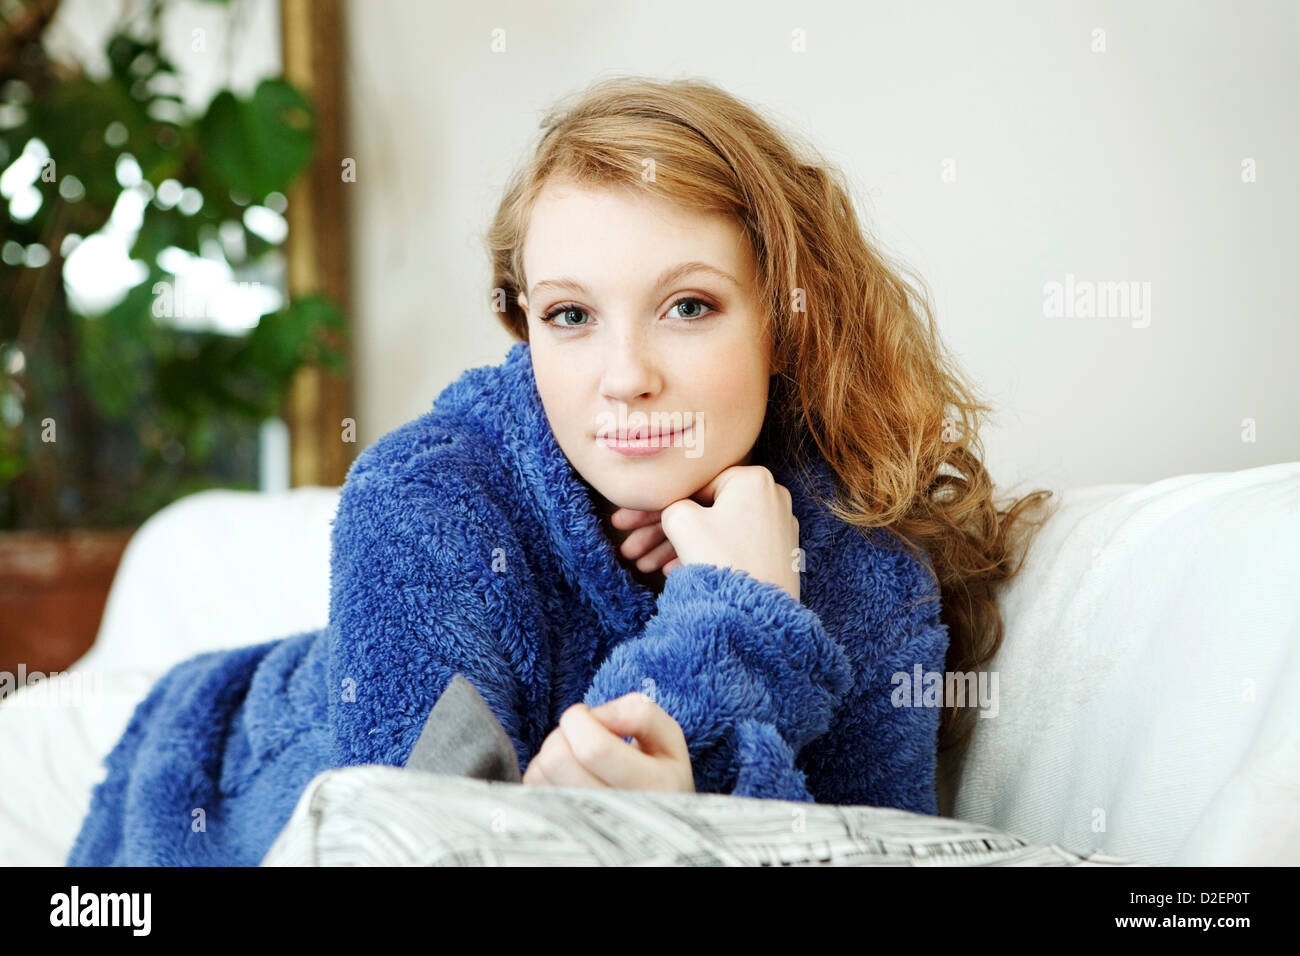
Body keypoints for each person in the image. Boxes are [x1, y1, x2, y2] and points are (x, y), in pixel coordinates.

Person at [66, 75, 1051, 867]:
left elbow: (870, 846)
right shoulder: (422, 497)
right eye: (571, 315)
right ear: (526, 327)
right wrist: (732, 615)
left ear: (787, 323)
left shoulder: (865, 568)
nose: (625, 377)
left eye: (689, 305)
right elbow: (432, 845)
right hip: (218, 763)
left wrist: (689, 822)